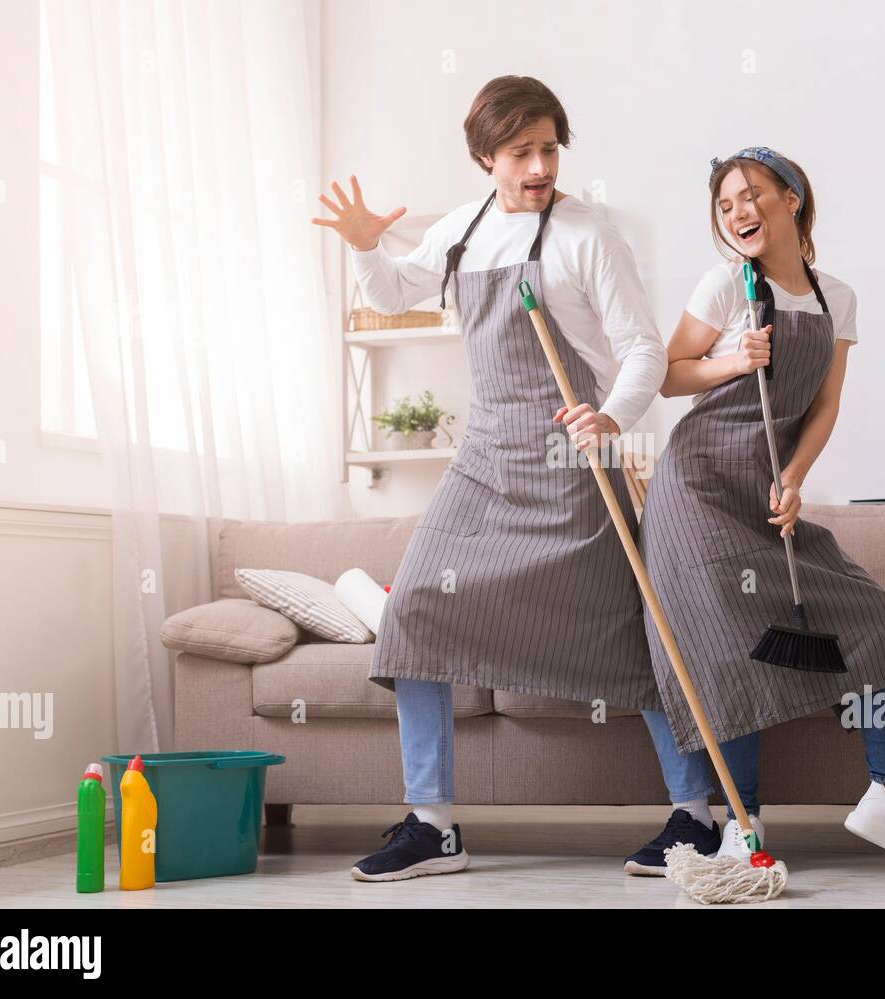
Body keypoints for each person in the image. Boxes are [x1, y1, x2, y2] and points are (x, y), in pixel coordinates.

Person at [312, 76, 668, 882]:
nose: (540, 165)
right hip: (484, 460)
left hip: (576, 459)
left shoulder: (586, 232)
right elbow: (394, 292)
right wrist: (368, 242)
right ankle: (433, 824)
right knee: (413, 615)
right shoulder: (463, 230)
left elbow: (641, 346)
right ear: (486, 158)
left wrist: (608, 415)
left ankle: (694, 815)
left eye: (549, 147)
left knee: (632, 629)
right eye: (522, 151)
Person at [622, 147, 885, 880]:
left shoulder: (837, 297)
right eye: (724, 205)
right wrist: (730, 362)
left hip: (766, 491)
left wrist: (795, 478)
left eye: (750, 196)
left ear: (792, 199)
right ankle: (744, 833)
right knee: (724, 645)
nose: (737, 213)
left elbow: (827, 402)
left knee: (875, 617)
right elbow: (669, 374)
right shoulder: (724, 286)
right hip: (697, 488)